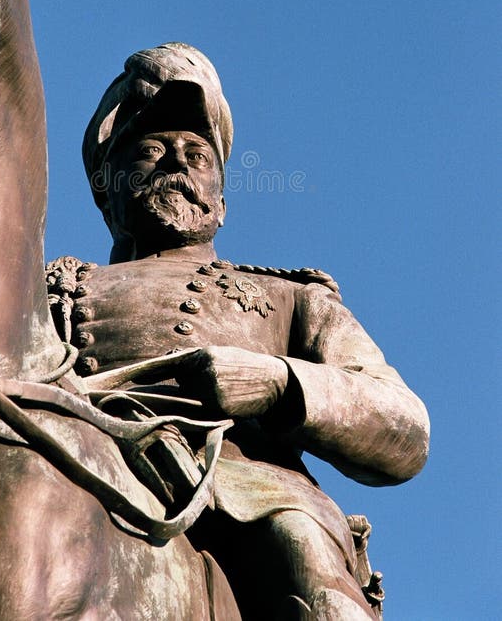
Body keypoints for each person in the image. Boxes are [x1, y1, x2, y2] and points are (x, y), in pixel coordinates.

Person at [56, 43, 429, 620]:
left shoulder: (292, 298)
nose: (177, 164)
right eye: (151, 148)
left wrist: (280, 385)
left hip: (245, 494)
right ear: (105, 182)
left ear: (222, 201)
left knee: (304, 559)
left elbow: (405, 429)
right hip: (79, 472)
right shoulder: (50, 289)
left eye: (197, 155)